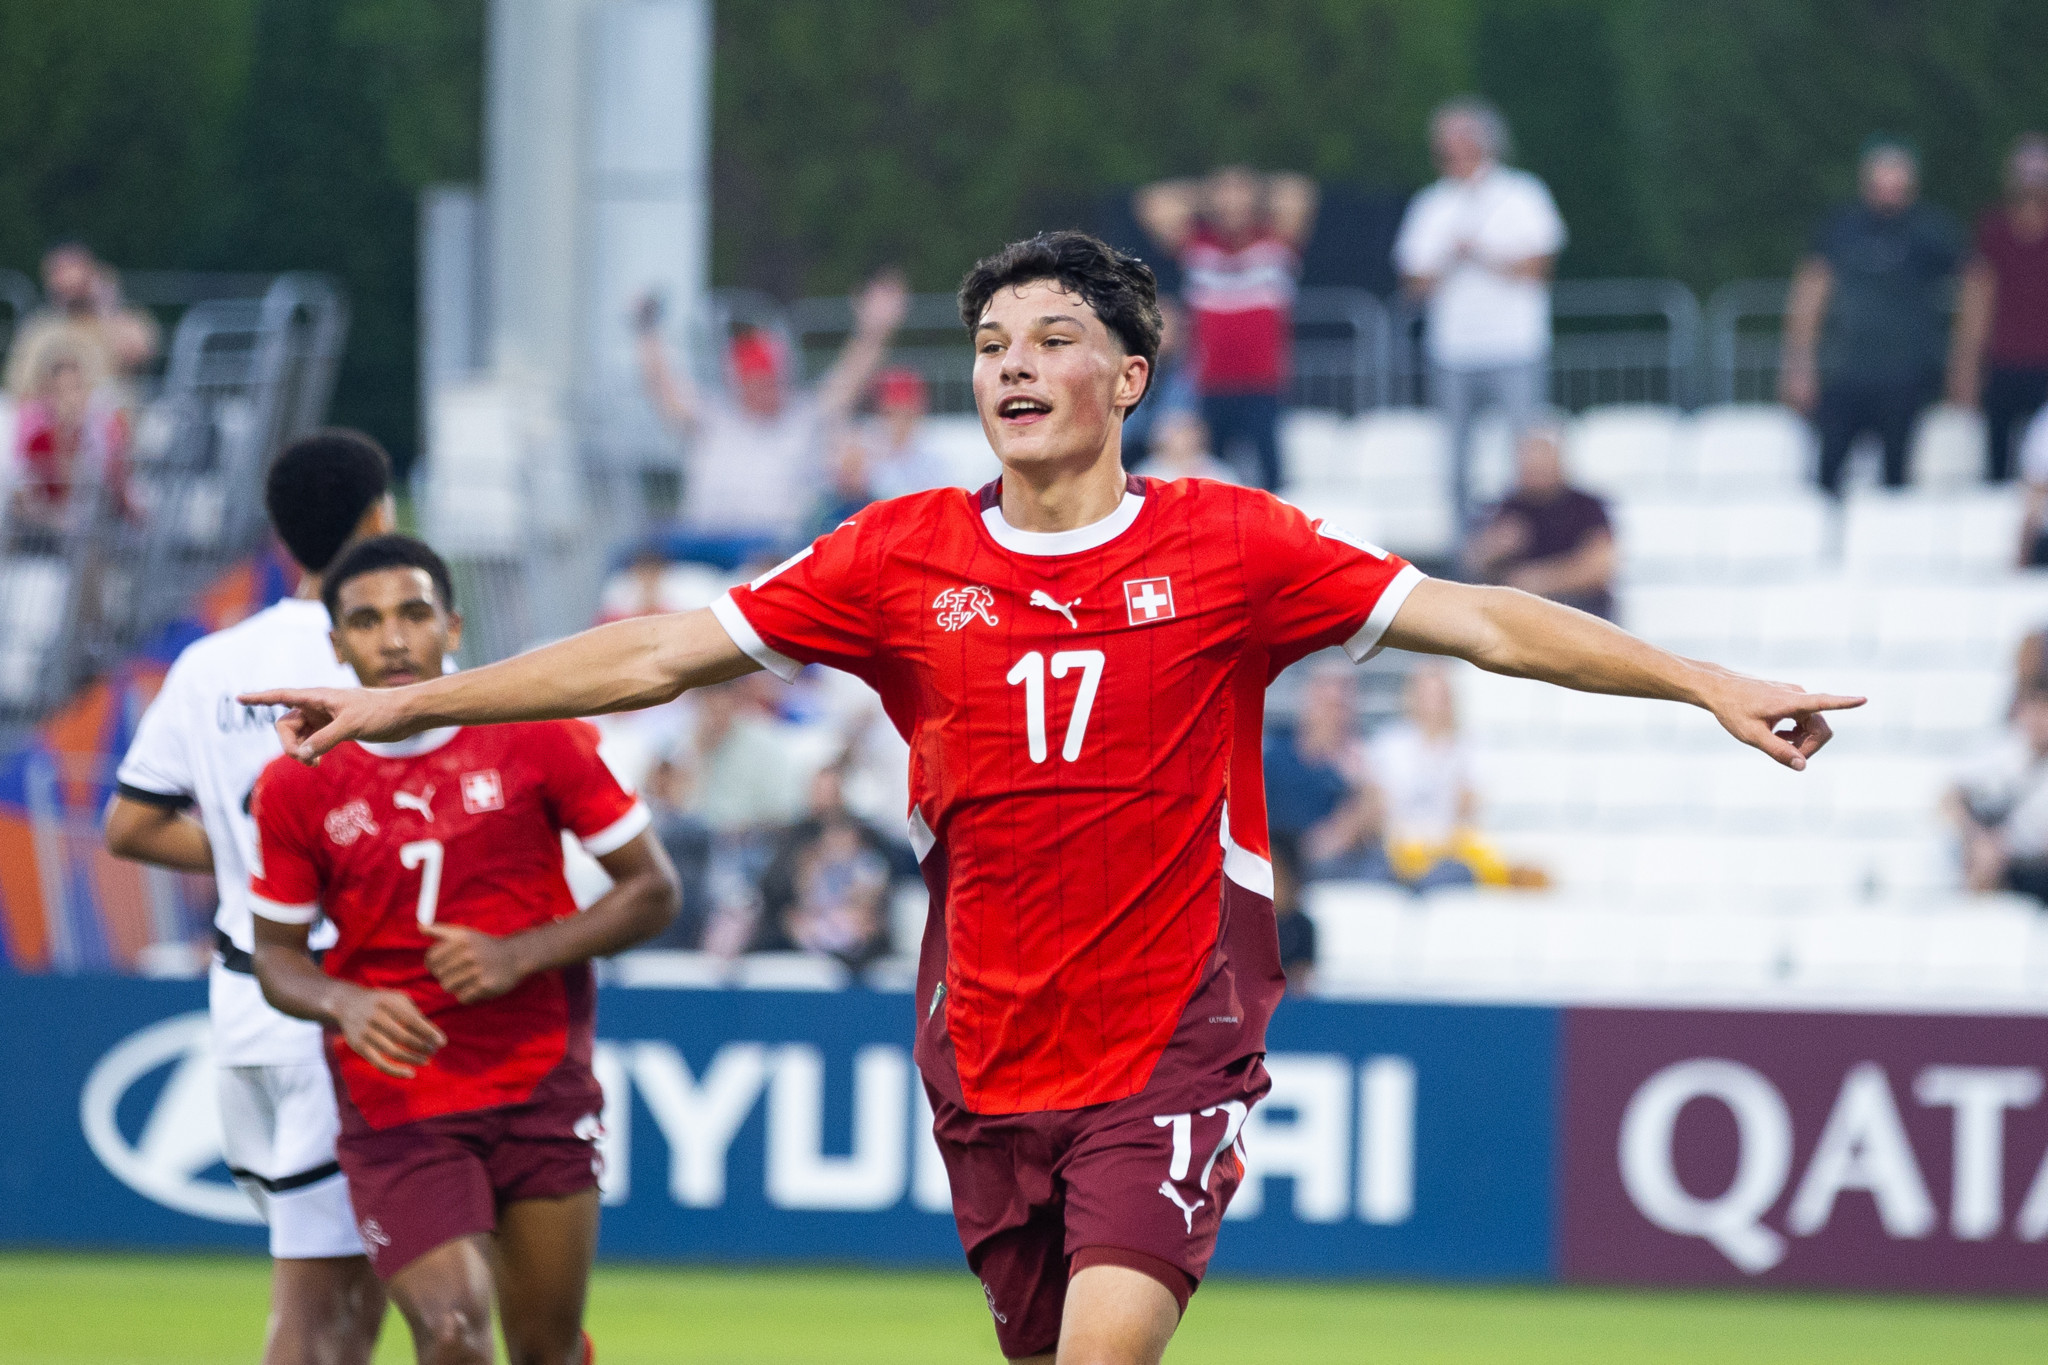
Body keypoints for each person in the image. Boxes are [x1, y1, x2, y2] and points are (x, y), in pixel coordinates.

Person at [244, 229, 1860, 1365]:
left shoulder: (1233, 546)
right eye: (990, 346)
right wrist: (411, 699)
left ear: (1129, 377)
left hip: (1169, 1044)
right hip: (987, 1052)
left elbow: (1486, 623)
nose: (1011, 365)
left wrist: (1701, 681)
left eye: (1050, 341)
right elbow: (663, 650)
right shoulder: (897, 555)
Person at [246, 534, 680, 1365]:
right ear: (336, 644)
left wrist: (519, 954)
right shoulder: (298, 781)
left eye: (414, 613)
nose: (393, 638)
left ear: (451, 624)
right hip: (398, 1099)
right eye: (367, 621)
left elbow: (653, 889)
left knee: (546, 1348)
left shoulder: (537, 735)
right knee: (452, 1329)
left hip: (540, 1081)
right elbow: (277, 958)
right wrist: (343, 1000)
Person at [103, 430, 398, 1365]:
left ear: (280, 535)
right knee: (318, 1320)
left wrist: (252, 862)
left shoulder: (210, 663)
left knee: (342, 1312)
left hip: (242, 1007)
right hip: (339, 1006)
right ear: (379, 519)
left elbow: (130, 823)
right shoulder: (392, 663)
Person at [634, 271, 908, 563]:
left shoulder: (803, 417)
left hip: (771, 545)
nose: (765, 388)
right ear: (738, 382)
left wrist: (875, 330)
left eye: (770, 379)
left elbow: (850, 379)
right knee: (636, 555)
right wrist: (646, 331)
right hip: (702, 538)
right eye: (755, 381)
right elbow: (664, 388)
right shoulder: (714, 416)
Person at [1394, 98, 1566, 536]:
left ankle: (1529, 545)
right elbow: (1413, 284)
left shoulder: (1522, 193)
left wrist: (1483, 256)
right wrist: (1450, 260)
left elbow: (1539, 267)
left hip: (1515, 345)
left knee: (1525, 456)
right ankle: (1465, 554)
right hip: (1452, 350)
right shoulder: (1431, 203)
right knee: (1456, 463)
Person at [1780, 138, 1964, 496]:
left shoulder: (1929, 231)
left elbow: (1975, 282)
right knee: (1828, 471)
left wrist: (1962, 359)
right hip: (1844, 373)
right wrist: (1799, 364)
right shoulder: (1842, 228)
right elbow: (1810, 292)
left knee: (1896, 478)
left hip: (1905, 376)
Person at [1135, 167, 1318, 490]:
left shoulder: (1275, 243)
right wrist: (1208, 195)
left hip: (1263, 382)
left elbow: (1301, 195)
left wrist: (1252, 193)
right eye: (1225, 196)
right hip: (1211, 383)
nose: (1232, 203)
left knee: (1271, 476)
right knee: (1211, 476)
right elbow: (1151, 204)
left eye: (1239, 195)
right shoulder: (1199, 245)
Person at [1948, 134, 2048, 482]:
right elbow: (1976, 298)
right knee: (1997, 462)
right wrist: (1965, 364)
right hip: (2002, 359)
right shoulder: (1993, 228)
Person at [1365, 662, 1508, 890]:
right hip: (1396, 851)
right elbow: (1375, 806)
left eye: (1439, 697)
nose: (1433, 705)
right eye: (1426, 696)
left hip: (1448, 853)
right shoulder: (1389, 743)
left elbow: (1468, 809)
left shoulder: (1467, 746)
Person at [1464, 425, 1616, 620]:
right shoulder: (1506, 507)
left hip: (1580, 613)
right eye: (1529, 458)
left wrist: (1541, 580)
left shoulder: (1586, 507)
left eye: (1542, 458)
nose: (1535, 466)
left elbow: (1600, 568)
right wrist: (1493, 548)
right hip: (1519, 615)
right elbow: (1471, 561)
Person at [9, 340, 132, 544]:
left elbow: (114, 479)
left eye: (75, 388)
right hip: (43, 529)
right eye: (61, 391)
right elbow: (25, 489)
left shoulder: (101, 426)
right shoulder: (36, 431)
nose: (70, 398)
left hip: (93, 522)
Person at [5, 243, 159, 399]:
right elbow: (18, 384)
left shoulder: (123, 320)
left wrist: (106, 304)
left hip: (111, 410)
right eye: (58, 271)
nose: (67, 279)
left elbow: (138, 354)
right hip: (51, 410)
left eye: (73, 267)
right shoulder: (40, 328)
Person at [1950, 682, 2048, 903]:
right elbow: (1949, 798)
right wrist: (1977, 837)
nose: (2040, 719)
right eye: (2034, 708)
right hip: (1996, 861)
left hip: (2035, 872)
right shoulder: (2003, 752)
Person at [1116, 297, 1199, 464]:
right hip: (1124, 448)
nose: (1162, 334)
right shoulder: (1126, 362)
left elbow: (1181, 415)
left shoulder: (1187, 369)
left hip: (1165, 451)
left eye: (1169, 327)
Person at [865, 366, 955, 499]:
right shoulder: (864, 456)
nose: (899, 422)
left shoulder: (934, 460)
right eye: (892, 413)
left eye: (907, 414)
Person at [1135, 410, 1239, 485]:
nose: (1182, 438)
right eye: (1175, 430)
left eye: (1186, 430)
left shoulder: (1218, 472)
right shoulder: (1147, 474)